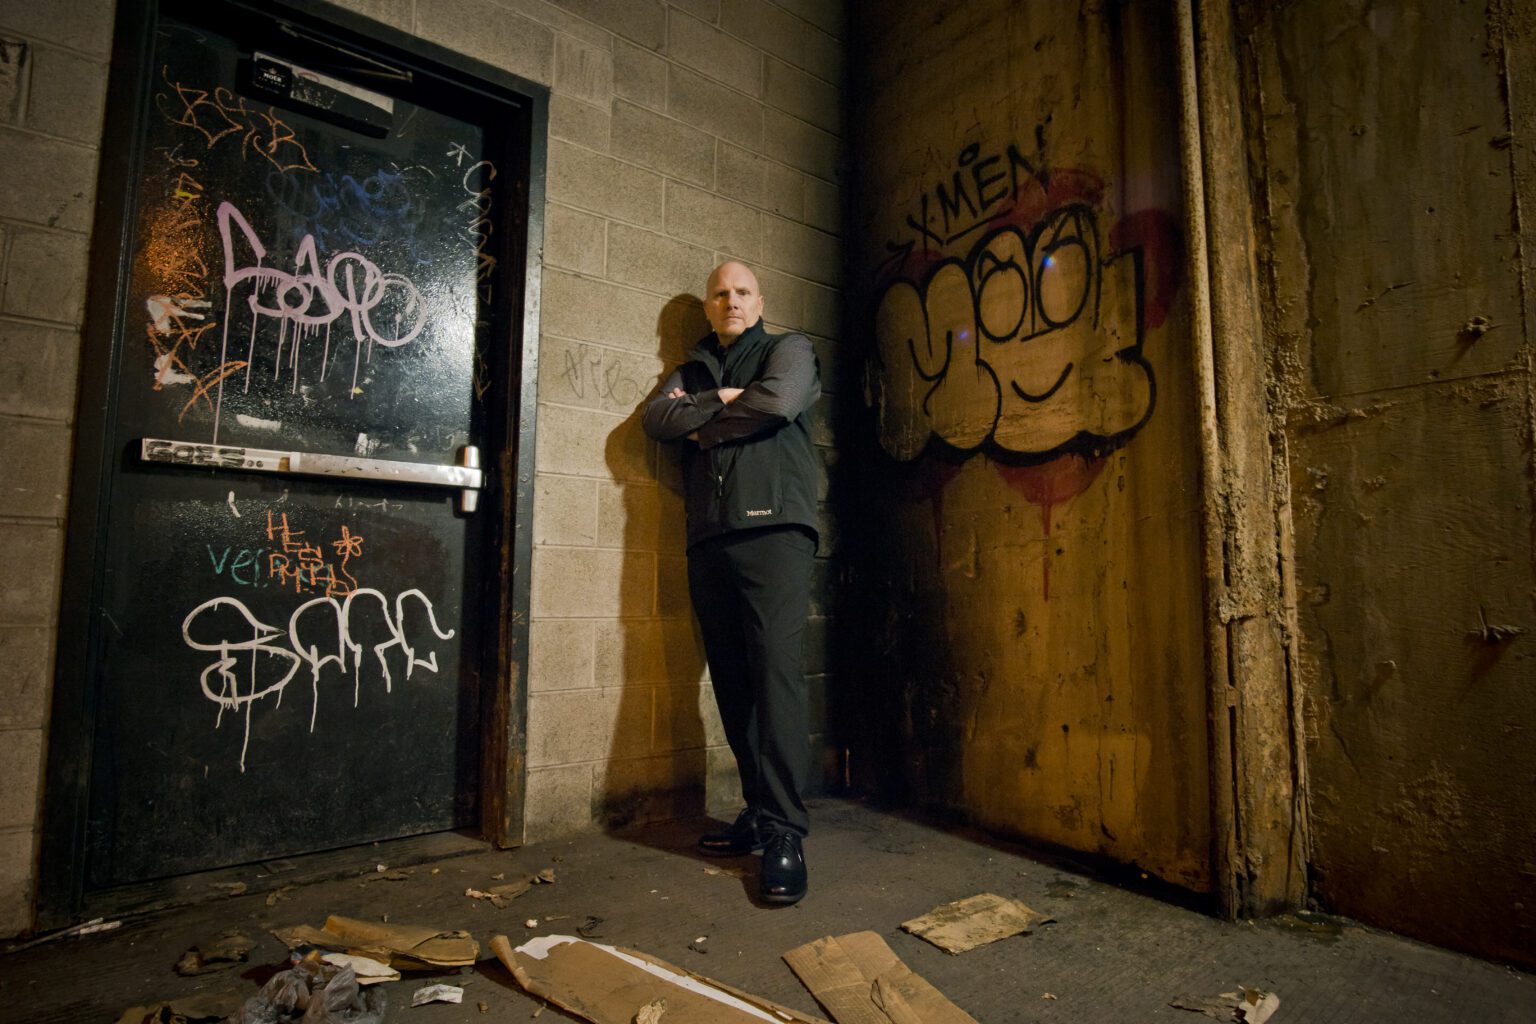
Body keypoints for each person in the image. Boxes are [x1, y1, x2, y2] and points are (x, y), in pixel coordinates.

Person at [641, 260, 821, 904]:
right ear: (709, 308)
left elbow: (778, 402)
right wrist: (714, 398)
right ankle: (757, 810)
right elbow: (655, 422)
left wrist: (702, 425)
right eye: (720, 294)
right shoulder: (693, 371)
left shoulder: (788, 350)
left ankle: (784, 832)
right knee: (734, 682)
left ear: (758, 300)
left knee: (774, 677)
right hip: (710, 536)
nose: (731, 301)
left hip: (775, 533)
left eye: (742, 292)